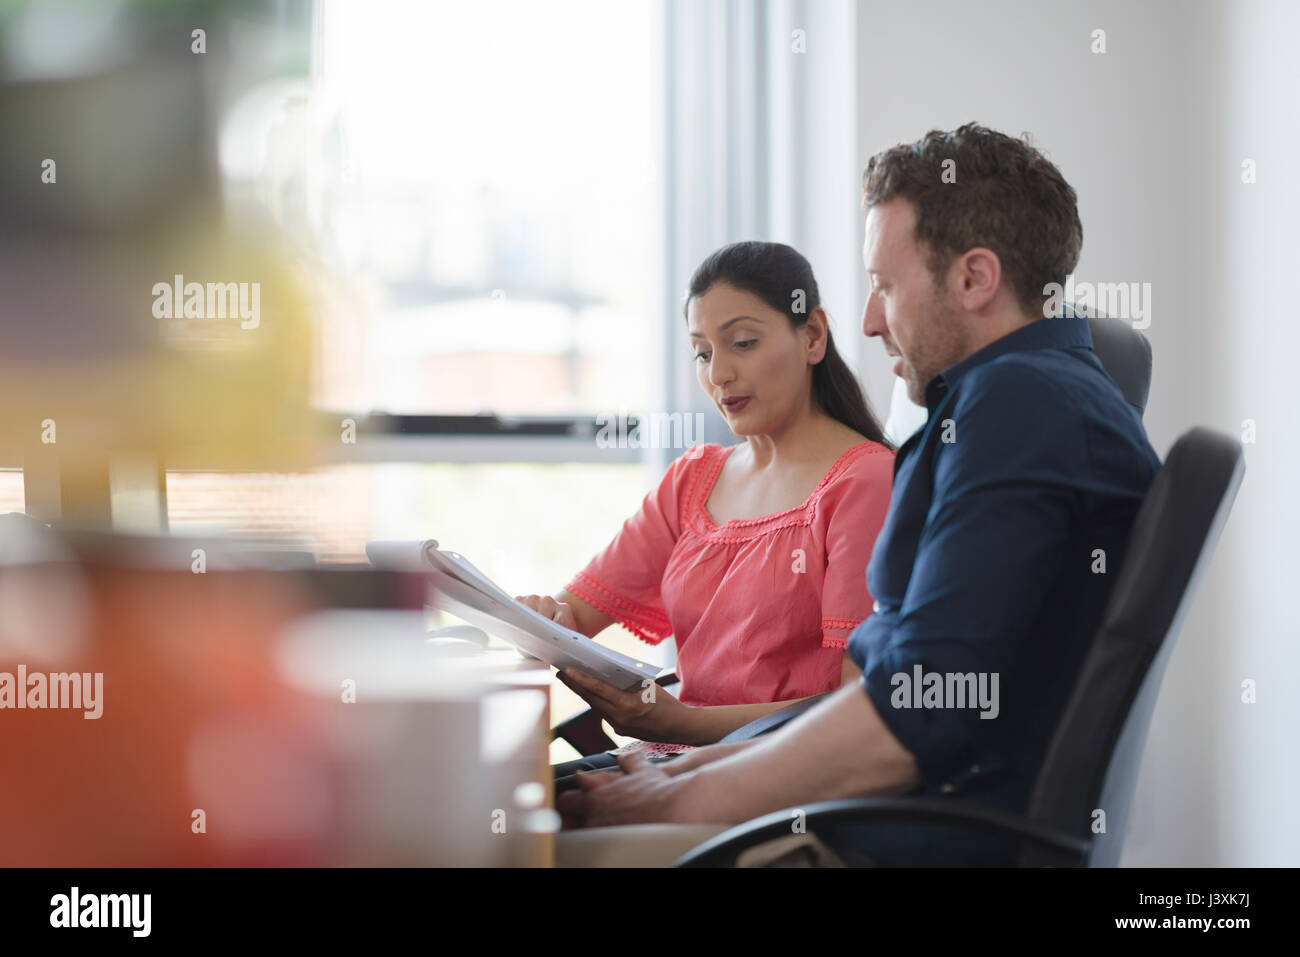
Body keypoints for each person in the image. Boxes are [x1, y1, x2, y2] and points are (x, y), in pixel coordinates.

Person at [555, 123, 1163, 867]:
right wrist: (686, 768)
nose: (870, 321)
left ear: (975, 278)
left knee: (529, 842)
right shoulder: (1031, 397)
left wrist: (674, 794)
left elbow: (915, 716)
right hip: (890, 805)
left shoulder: (1020, 408)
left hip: (908, 831)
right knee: (551, 804)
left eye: (884, 284)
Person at [515, 241, 895, 779]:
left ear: (812, 336)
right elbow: (574, 614)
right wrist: (545, 617)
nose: (718, 375)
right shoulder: (694, 479)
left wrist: (679, 724)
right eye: (702, 352)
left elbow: (853, 709)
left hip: (766, 778)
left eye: (742, 343)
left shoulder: (864, 481)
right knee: (501, 808)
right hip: (669, 760)